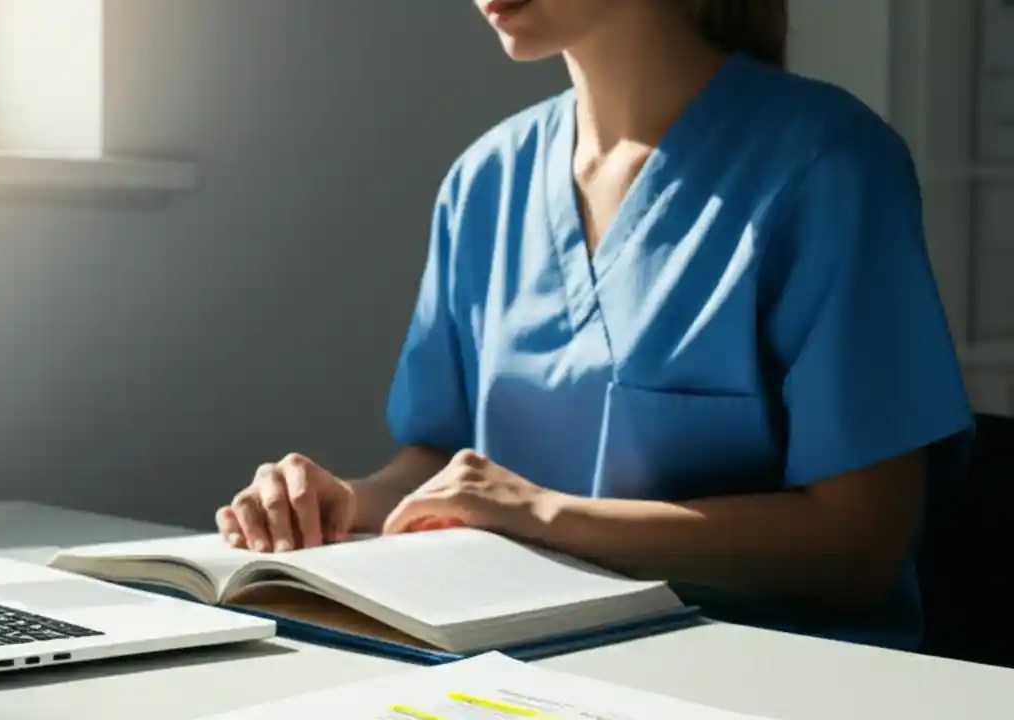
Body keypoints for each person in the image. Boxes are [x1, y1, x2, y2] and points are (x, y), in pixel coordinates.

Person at [215, 0, 973, 650]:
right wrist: (343, 501)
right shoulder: (486, 181)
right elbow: (445, 465)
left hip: (773, 678)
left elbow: (857, 546)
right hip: (524, 670)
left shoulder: (828, 166)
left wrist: (547, 516)